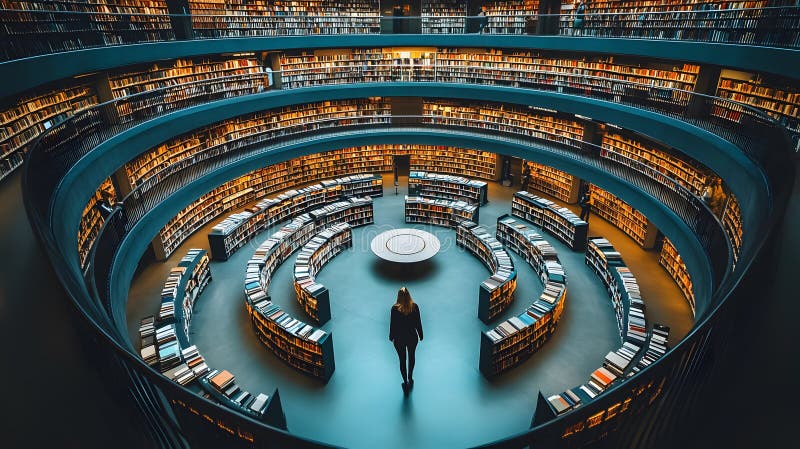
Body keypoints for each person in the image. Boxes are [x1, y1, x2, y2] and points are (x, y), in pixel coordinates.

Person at [389, 287, 423, 394]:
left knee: (402, 360)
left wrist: (391, 336)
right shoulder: (415, 307)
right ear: (409, 295)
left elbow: (393, 325)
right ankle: (410, 377)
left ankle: (404, 381)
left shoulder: (394, 309)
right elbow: (418, 322)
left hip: (399, 338)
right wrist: (421, 334)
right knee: (411, 356)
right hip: (412, 337)